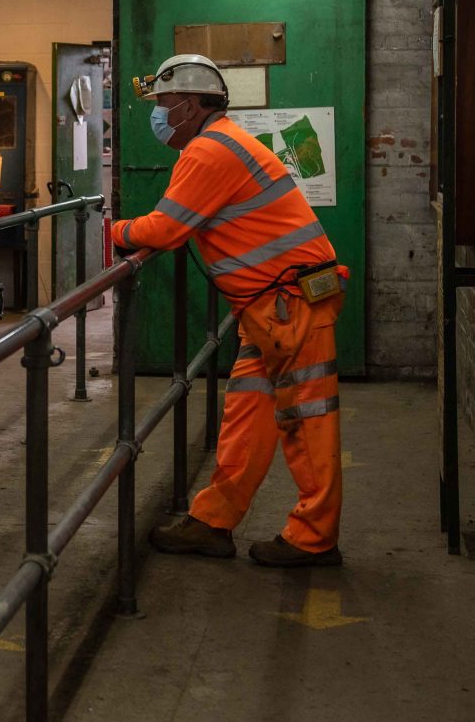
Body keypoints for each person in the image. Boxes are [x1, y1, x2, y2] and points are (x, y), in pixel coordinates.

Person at [114, 54, 348, 568]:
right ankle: (212, 522)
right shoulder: (222, 142)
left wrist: (114, 232)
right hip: (274, 308)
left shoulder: (209, 151)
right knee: (248, 414)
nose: (158, 113)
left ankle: (314, 538)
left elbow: (165, 229)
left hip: (290, 306)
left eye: (165, 103)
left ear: (194, 104)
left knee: (305, 421)